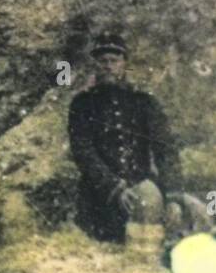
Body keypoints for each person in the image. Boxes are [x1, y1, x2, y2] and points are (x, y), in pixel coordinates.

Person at [68, 32, 185, 251]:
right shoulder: (82, 105)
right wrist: (114, 187)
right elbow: (83, 152)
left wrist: (173, 196)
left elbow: (166, 151)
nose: (108, 66)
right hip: (100, 195)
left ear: (124, 64)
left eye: (114, 61)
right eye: (103, 61)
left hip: (140, 186)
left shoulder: (144, 102)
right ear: (95, 65)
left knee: (176, 215)